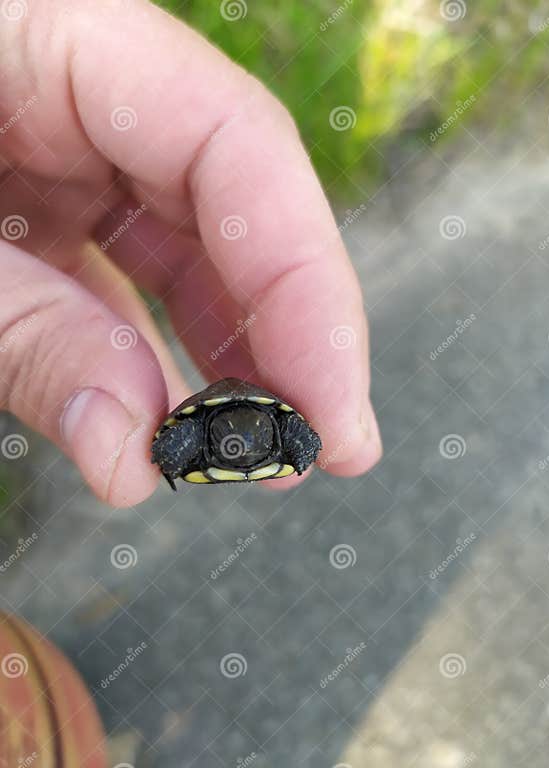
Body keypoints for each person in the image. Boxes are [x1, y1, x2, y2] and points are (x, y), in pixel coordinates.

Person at [0, 0, 382, 507]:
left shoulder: (281, 431)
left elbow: (304, 443)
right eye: (238, 436)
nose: (241, 445)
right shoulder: (196, 432)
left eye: (251, 438)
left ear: (270, 430)